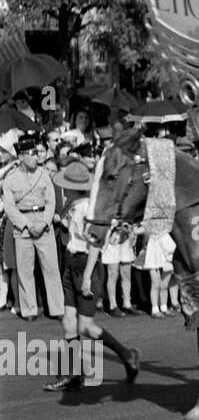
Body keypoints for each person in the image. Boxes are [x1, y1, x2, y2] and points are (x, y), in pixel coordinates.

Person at [43, 158, 139, 391]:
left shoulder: (88, 208)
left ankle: (127, 355)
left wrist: (87, 275)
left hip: (86, 264)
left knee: (85, 326)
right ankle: (75, 375)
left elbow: (95, 244)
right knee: (68, 322)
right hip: (71, 261)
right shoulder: (74, 205)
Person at [2, 132, 65, 319]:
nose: (35, 157)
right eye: (30, 153)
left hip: (43, 225)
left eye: (35, 153)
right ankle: (29, 309)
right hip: (23, 227)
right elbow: (9, 207)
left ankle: (57, 309)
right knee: (25, 270)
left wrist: (44, 222)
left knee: (51, 268)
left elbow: (51, 201)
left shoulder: (44, 175)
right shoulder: (11, 179)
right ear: (21, 157)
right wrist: (28, 225)